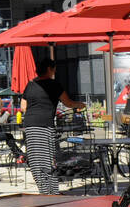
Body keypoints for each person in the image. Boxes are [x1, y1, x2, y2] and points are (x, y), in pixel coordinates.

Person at [20, 59, 85, 194]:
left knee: (35, 159)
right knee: (48, 159)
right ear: (49, 69)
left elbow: (23, 107)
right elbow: (68, 103)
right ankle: (52, 192)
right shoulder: (54, 85)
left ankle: (44, 190)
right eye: (54, 69)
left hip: (30, 125)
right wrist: (80, 105)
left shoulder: (30, 85)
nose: (55, 71)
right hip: (44, 125)